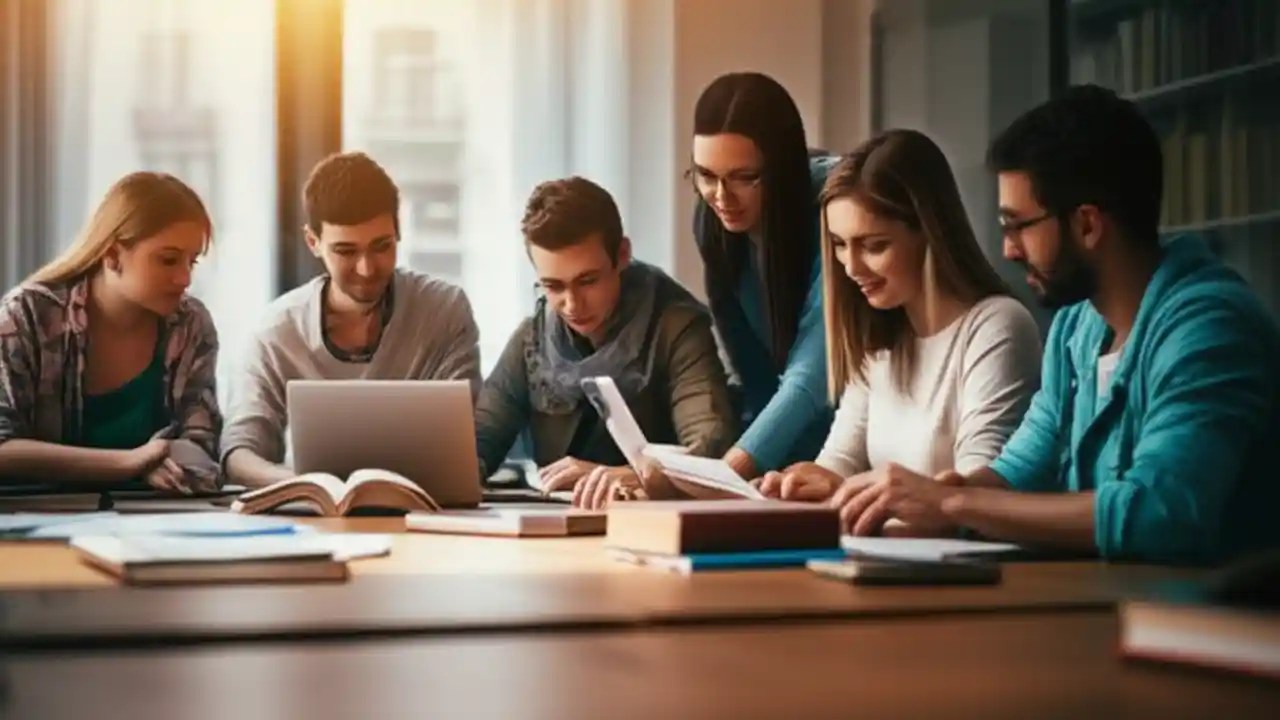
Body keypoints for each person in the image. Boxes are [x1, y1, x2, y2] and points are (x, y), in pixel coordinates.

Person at [833, 85, 1280, 564]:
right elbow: (1015, 474)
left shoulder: (1210, 328)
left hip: (1204, 609)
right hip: (1106, 598)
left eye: (1018, 226)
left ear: (1087, 224)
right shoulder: (1075, 330)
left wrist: (950, 504)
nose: (1008, 250)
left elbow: (1160, 514)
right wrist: (921, 495)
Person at [756, 130, 1041, 508]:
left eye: (874, 246)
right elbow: (840, 461)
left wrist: (856, 498)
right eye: (839, 244)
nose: (851, 267)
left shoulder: (997, 326)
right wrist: (804, 482)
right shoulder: (879, 333)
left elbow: (976, 494)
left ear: (929, 233)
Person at [221, 152, 481, 489]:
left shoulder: (444, 312)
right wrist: (303, 483)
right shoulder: (277, 332)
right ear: (313, 242)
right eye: (345, 251)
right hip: (314, 506)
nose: (366, 269)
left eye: (382, 246)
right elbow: (239, 453)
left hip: (424, 507)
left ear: (399, 232)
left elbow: (465, 440)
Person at [475, 177, 737, 508]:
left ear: (622, 255)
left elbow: (711, 449)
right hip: (556, 525)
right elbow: (479, 441)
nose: (572, 305)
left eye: (588, 281)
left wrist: (632, 474)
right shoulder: (532, 338)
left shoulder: (678, 328)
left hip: (656, 524)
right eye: (553, 286)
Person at [0, 171, 221, 494]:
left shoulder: (190, 324)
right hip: (37, 516)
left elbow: (201, 443)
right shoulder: (27, 315)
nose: (185, 278)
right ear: (113, 255)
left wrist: (170, 465)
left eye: (192, 262)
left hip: (156, 517)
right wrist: (128, 464)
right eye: (169, 260)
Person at [690, 71, 838, 479]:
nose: (722, 197)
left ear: (782, 168)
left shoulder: (838, 205)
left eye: (745, 177)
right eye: (706, 175)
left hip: (851, 446)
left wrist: (724, 477)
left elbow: (812, 374)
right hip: (785, 458)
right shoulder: (711, 220)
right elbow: (754, 374)